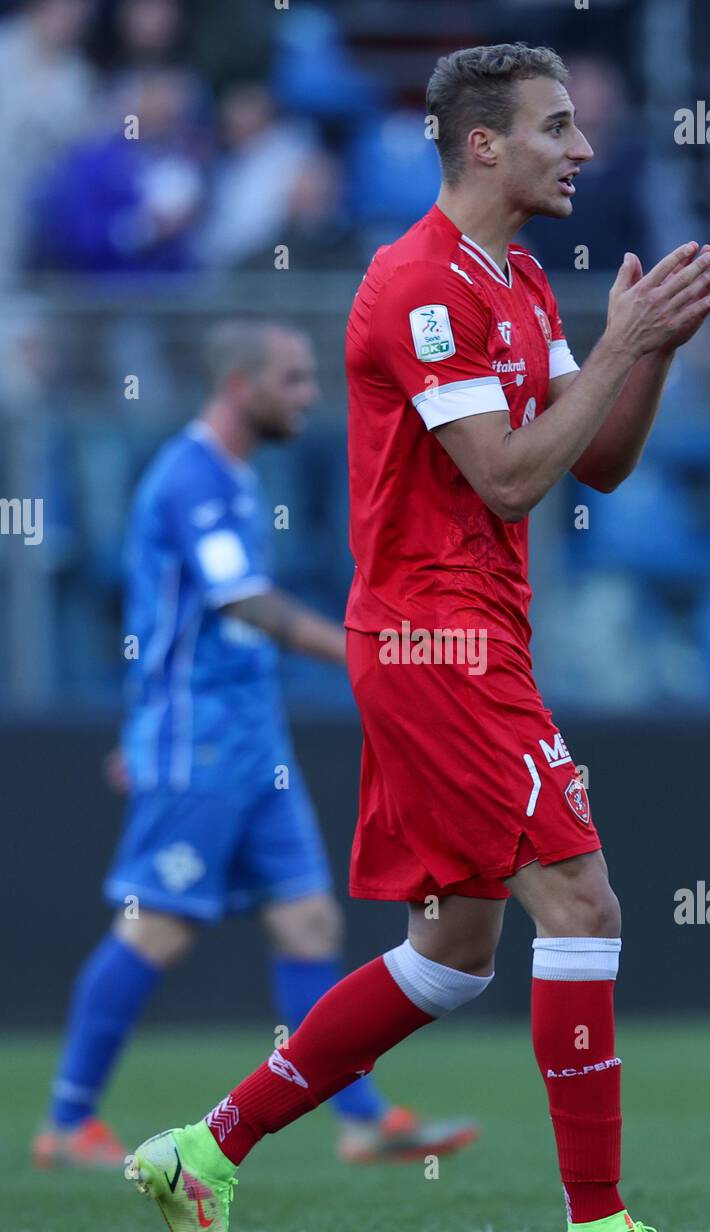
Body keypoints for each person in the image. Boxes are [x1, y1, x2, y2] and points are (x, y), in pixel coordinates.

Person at [126, 42, 710, 1232]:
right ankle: (598, 1228)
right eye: (556, 127)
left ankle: (205, 1149)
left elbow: (593, 461)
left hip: (472, 632)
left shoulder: (515, 282)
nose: (581, 149)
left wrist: (645, 345)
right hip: (431, 637)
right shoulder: (416, 284)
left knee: (452, 956)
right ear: (482, 145)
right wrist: (617, 345)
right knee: (583, 903)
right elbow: (505, 472)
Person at [33, 318, 478, 1171]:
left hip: (251, 737)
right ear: (241, 386)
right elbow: (243, 604)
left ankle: (362, 1119)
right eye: (294, 379)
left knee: (309, 920)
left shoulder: (233, 479)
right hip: (197, 740)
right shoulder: (189, 477)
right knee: (158, 929)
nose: (310, 396)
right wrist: (369, 648)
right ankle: (67, 1121)